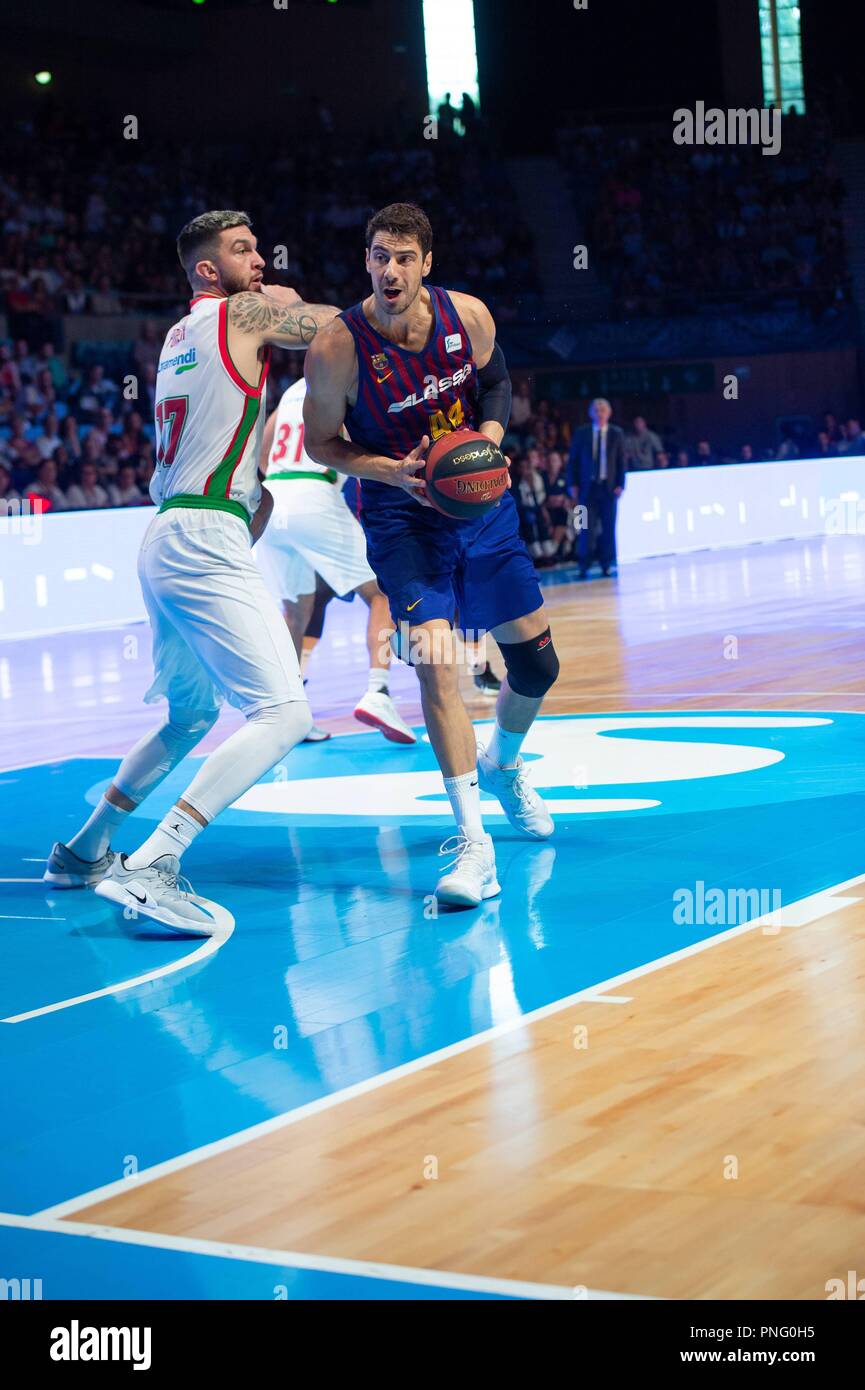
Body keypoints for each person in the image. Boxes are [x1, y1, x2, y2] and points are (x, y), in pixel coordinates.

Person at [44, 210, 338, 932]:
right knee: (285, 713)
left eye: (260, 246)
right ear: (207, 271)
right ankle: (154, 863)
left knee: (192, 715)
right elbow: (329, 328)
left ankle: (83, 854)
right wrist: (387, 305)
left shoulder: (178, 337)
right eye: (242, 250)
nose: (259, 258)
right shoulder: (239, 311)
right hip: (201, 535)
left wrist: (251, 499)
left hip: (171, 531)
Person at [303, 202, 557, 909]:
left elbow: (498, 383)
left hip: (479, 508)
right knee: (438, 664)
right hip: (400, 519)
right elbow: (319, 445)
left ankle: (503, 766)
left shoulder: (467, 317)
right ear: (366, 261)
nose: (391, 269)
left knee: (537, 664)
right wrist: (392, 471)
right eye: (380, 255)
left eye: (404, 257)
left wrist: (486, 442)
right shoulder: (336, 347)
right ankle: (472, 844)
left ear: (426, 263)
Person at [256, 376, 415, 745]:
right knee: (382, 591)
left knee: (295, 610)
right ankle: (379, 692)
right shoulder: (345, 382)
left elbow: (263, 450)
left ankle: (288, 713)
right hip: (313, 492)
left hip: (274, 494)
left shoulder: (293, 389)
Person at [566, 398, 626, 577]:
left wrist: (621, 484)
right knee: (585, 526)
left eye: (603, 410)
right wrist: (572, 484)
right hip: (587, 489)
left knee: (608, 527)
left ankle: (606, 564)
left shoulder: (617, 433)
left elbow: (622, 461)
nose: (600, 413)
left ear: (609, 413)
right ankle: (583, 565)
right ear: (591, 413)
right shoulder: (582, 433)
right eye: (596, 410)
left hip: (608, 489)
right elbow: (573, 461)